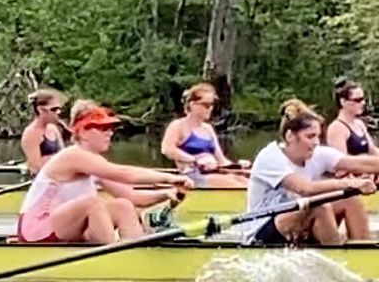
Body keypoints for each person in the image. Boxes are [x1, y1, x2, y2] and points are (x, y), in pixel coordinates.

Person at [16, 101, 193, 244]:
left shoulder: (95, 163)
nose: (109, 133)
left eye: (110, 128)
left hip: (65, 226)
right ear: (82, 132)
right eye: (101, 128)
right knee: (92, 203)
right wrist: (170, 178)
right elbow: (124, 173)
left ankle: (135, 253)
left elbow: (133, 197)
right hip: (36, 229)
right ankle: (113, 255)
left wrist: (167, 193)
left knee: (123, 206)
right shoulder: (73, 156)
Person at [245, 99, 379, 246]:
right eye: (310, 136)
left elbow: (363, 164)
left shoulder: (317, 154)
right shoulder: (271, 157)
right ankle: (336, 253)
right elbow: (305, 188)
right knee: (318, 206)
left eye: (318, 136)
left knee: (351, 200)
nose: (316, 142)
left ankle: (364, 250)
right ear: (290, 136)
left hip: (297, 222)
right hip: (261, 232)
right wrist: (351, 183)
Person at [160, 82, 248, 188]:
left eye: (212, 105)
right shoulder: (178, 125)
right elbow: (167, 149)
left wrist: (238, 166)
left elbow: (222, 161)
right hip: (191, 176)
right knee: (234, 184)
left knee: (245, 181)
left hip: (214, 173)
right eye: (206, 105)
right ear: (192, 105)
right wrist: (194, 160)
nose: (210, 108)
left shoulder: (208, 128)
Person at [327, 78, 378, 158]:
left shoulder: (359, 124)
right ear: (343, 102)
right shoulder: (336, 128)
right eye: (358, 100)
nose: (363, 103)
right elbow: (342, 163)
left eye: (363, 99)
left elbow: (372, 150)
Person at [20, 88, 67, 174]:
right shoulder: (31, 134)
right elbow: (37, 166)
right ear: (40, 110)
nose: (58, 112)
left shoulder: (53, 129)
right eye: (54, 109)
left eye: (59, 109)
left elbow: (63, 155)